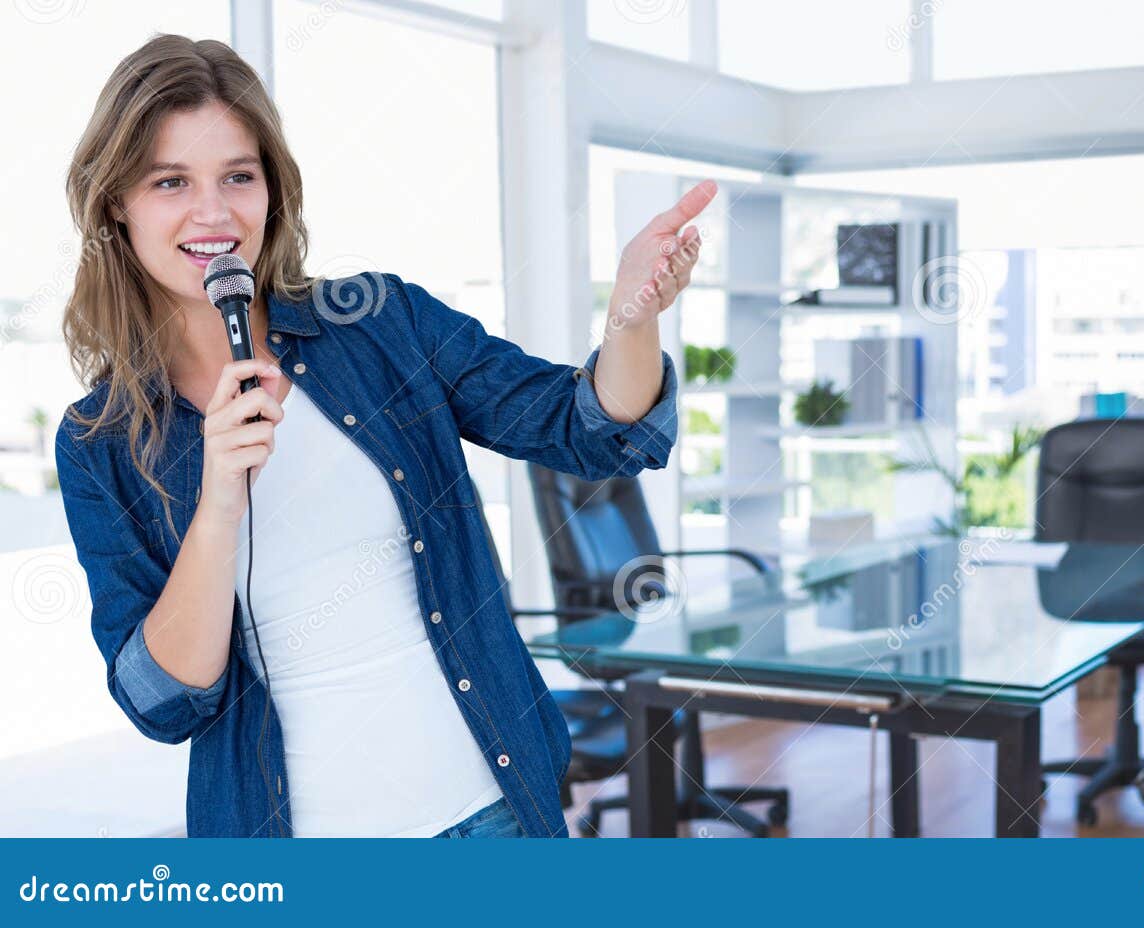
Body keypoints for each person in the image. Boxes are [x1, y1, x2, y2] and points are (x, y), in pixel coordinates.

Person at [54, 34, 707, 838]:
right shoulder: (100, 441)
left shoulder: (380, 323)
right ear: (116, 201)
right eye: (170, 182)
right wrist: (220, 498)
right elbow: (164, 701)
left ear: (273, 190)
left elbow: (587, 430)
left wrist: (630, 319)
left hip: (496, 815)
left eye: (238, 176)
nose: (214, 213)